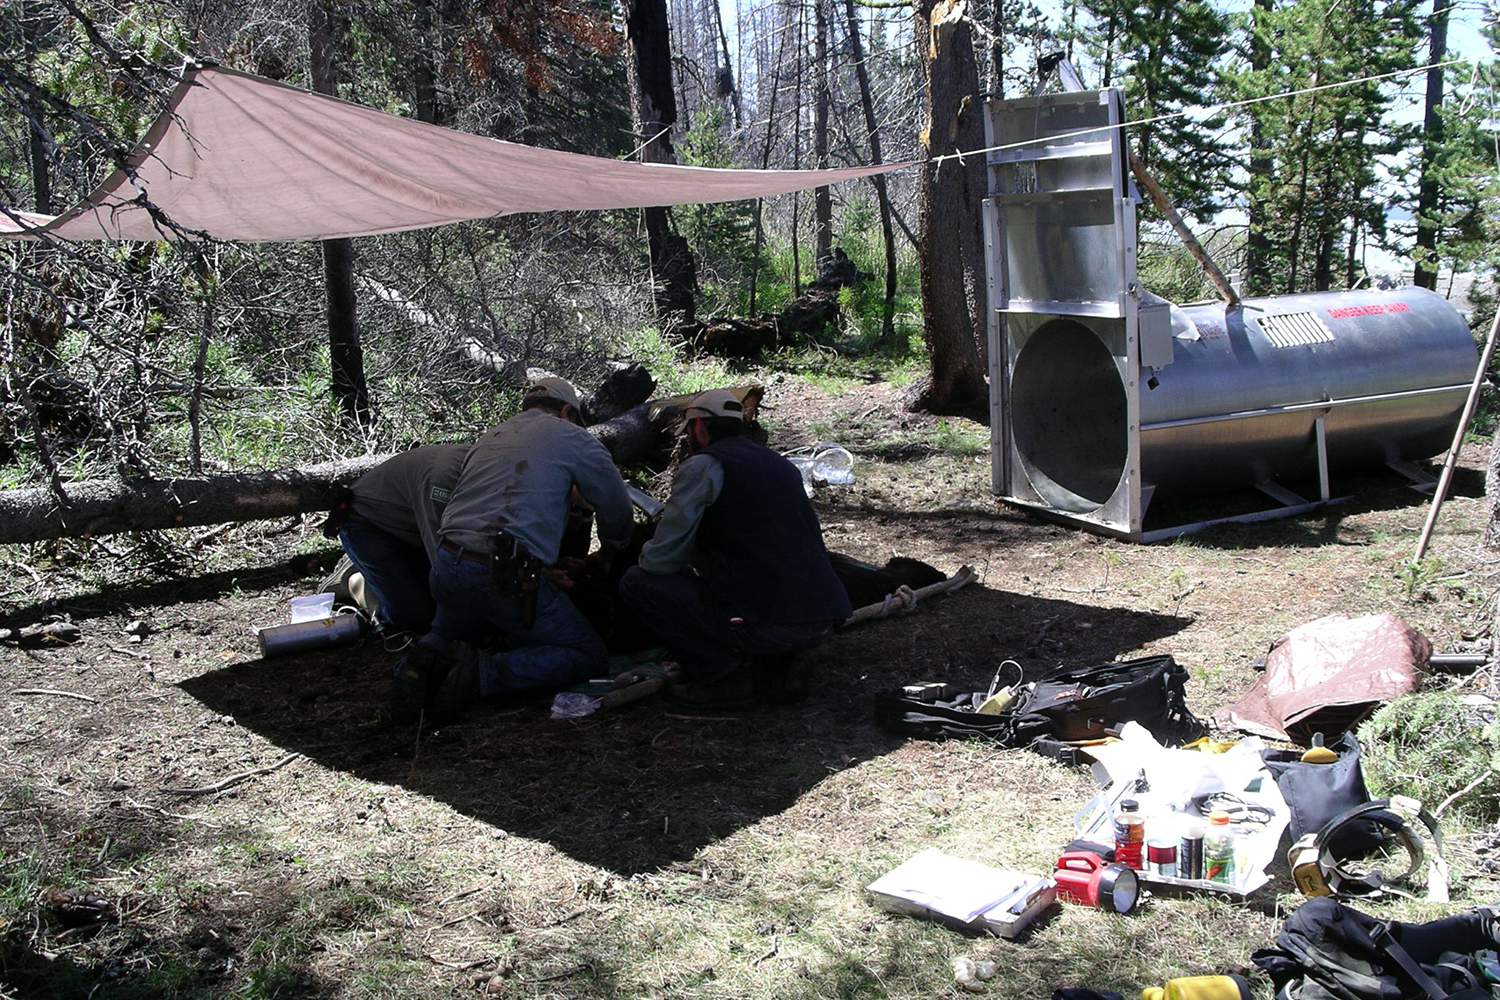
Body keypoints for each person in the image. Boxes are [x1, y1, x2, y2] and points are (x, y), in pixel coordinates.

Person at [392, 377, 634, 723]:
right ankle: (479, 675)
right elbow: (617, 506)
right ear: (567, 412)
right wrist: (611, 552)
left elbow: (489, 513)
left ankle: (416, 666)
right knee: (587, 654)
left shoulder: (491, 436)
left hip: (447, 561)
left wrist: (543, 564)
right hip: (501, 572)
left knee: (445, 632)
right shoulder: (571, 435)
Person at [618, 388, 851, 707]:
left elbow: (660, 561)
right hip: (824, 617)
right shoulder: (779, 464)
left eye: (688, 431)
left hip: (768, 623)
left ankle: (721, 675)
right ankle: (781, 661)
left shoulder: (704, 466)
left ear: (698, 427)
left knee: (637, 583)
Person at [335, 443, 469, 634]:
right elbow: (444, 562)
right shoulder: (442, 481)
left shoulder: (494, 470)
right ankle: (356, 582)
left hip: (410, 528)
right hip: (365, 524)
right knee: (416, 617)